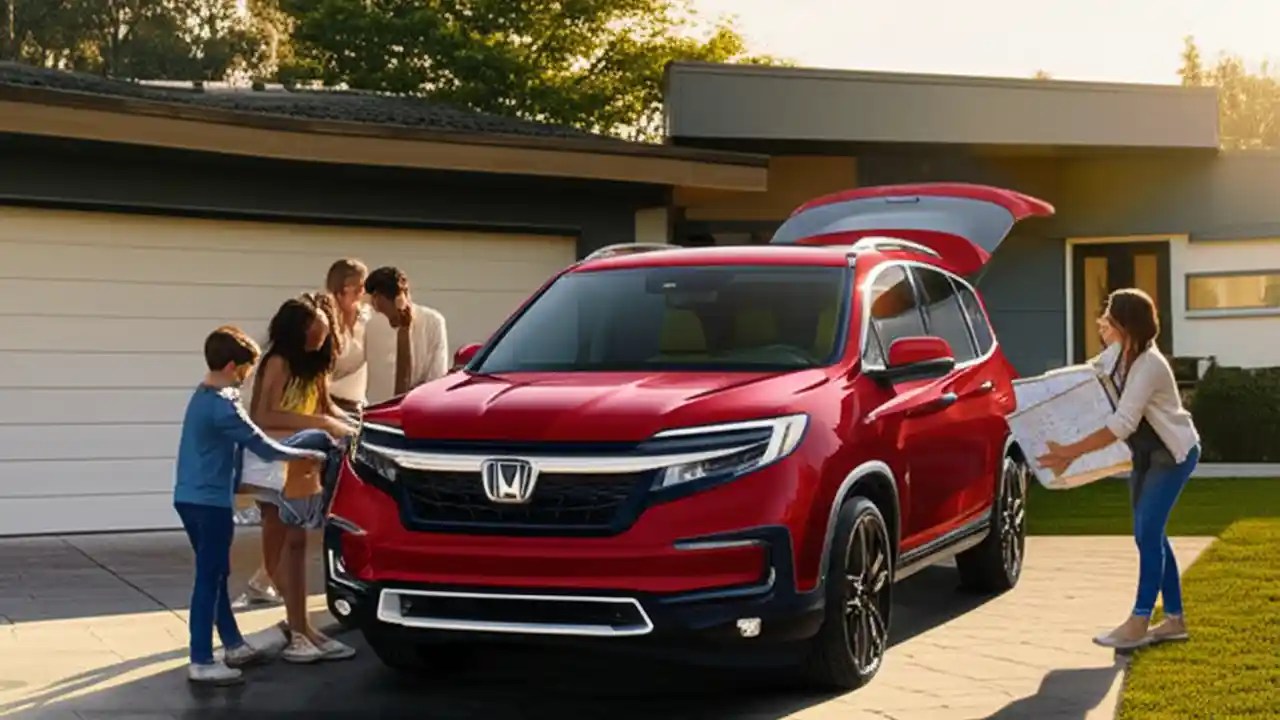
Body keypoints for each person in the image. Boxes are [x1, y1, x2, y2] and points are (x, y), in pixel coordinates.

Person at [1037, 288, 1201, 650]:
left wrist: (1069, 453)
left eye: (1109, 320)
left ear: (1126, 326)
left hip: (1172, 455)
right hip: (1145, 455)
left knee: (1147, 533)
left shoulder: (1148, 365)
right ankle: (1174, 620)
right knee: (1151, 535)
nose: (1102, 324)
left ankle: (1139, 621)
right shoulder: (1120, 355)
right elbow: (1087, 377)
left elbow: (1121, 424)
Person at [174, 325, 328, 685]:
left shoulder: (202, 396)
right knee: (209, 579)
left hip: (189, 497)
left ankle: (232, 644)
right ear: (232, 366)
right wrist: (309, 453)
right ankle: (200, 658)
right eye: (246, 370)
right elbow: (264, 446)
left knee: (217, 573)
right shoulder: (224, 406)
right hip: (209, 504)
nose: (247, 378)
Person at [247, 293, 359, 663]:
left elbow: (325, 408)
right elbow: (263, 416)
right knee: (279, 544)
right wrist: (323, 424)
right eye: (315, 333)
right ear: (298, 332)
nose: (321, 341)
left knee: (299, 543)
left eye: (325, 334)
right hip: (275, 460)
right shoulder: (277, 362)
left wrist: (352, 425)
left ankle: (302, 627)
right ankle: (298, 628)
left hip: (304, 461)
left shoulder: (317, 366)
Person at [363, 266, 449, 404]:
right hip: (377, 409)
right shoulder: (369, 323)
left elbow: (437, 375)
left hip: (421, 407)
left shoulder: (433, 322)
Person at [326, 258, 372, 414]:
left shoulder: (369, 319)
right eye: (353, 287)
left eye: (362, 287)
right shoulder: (324, 322)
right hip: (328, 404)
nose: (360, 293)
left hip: (360, 406)